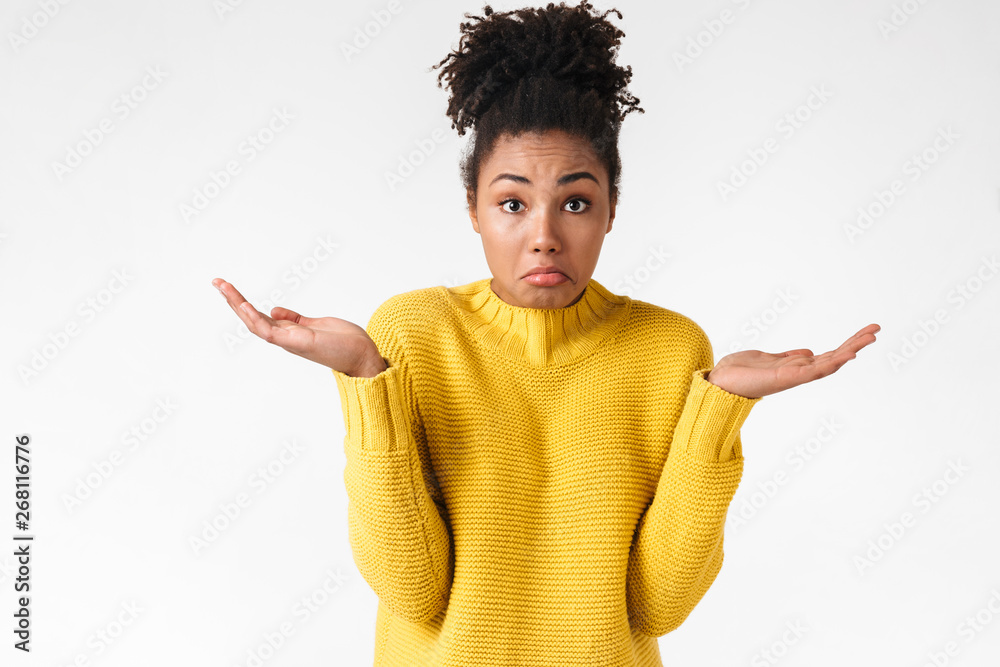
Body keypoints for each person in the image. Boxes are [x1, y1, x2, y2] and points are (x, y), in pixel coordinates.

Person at [212, 1, 880, 664]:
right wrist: (365, 378)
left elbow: (660, 605)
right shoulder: (412, 335)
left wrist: (720, 408)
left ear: (612, 210)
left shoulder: (671, 350)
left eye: (576, 202)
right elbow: (412, 590)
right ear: (473, 209)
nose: (543, 237)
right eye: (511, 202)